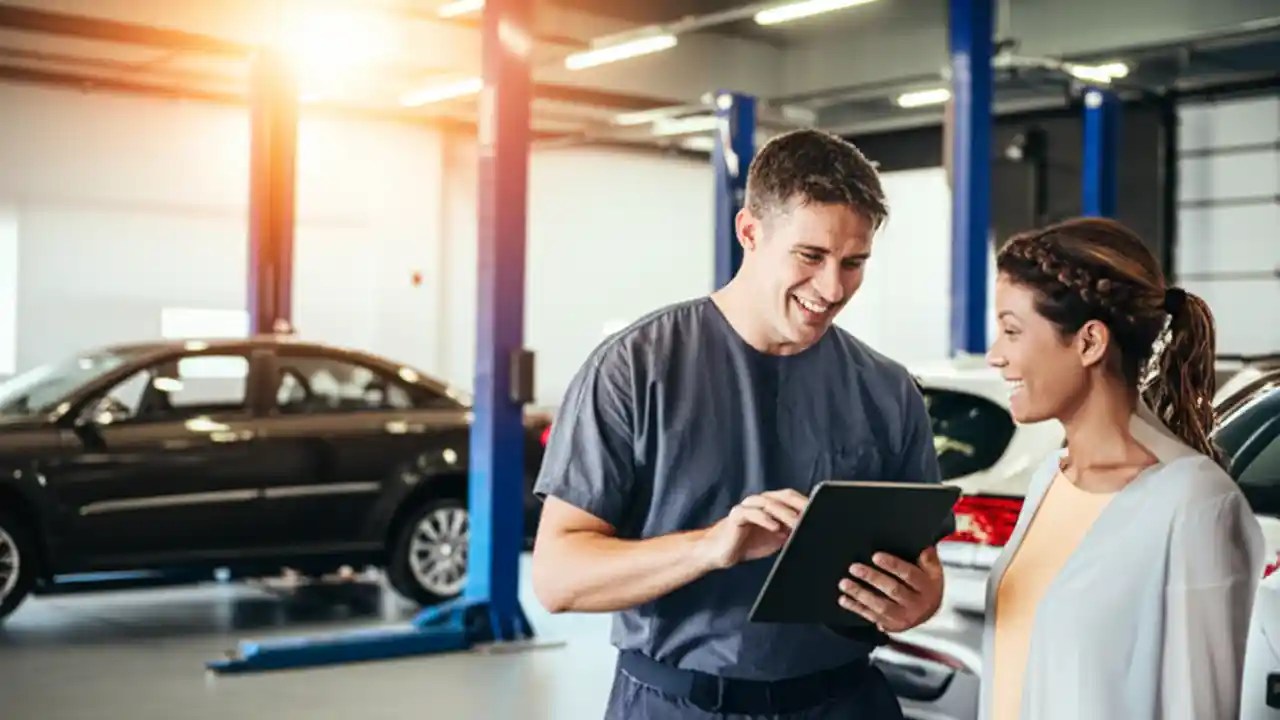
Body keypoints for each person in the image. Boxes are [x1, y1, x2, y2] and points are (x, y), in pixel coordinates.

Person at [530, 128, 949, 719]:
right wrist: (711, 547)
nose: (833, 289)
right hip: (679, 704)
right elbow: (557, 577)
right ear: (750, 231)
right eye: (811, 256)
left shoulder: (886, 389)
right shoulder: (637, 369)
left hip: (845, 702)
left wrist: (917, 602)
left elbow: (924, 570)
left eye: (854, 263)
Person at [979, 216, 1267, 720]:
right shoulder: (1052, 477)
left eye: (1011, 331)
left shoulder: (1195, 504)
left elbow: (1200, 708)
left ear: (1089, 342)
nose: (995, 356)